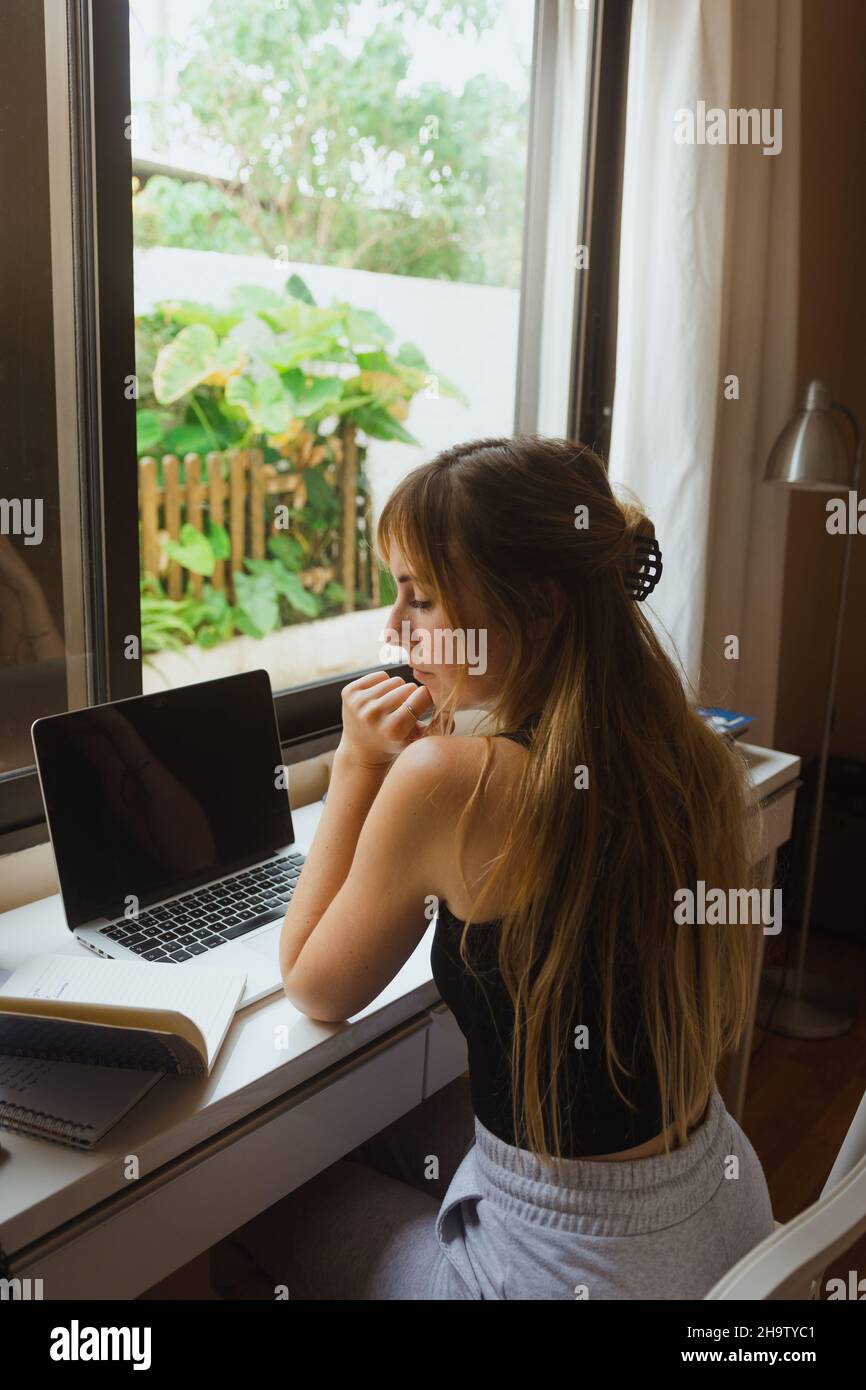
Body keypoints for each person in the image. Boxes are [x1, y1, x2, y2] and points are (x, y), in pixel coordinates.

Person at [211, 435, 776, 1301]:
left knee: (243, 1196)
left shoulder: (446, 782)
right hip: (717, 1216)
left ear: (539, 609)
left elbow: (313, 983)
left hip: (563, 1274)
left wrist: (359, 764)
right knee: (382, 1131)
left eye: (422, 598)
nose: (393, 630)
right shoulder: (682, 749)